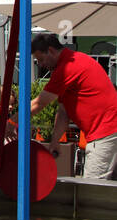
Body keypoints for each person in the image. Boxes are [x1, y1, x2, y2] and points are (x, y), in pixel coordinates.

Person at [30, 32, 117, 179]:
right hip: (108, 130)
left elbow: (39, 103)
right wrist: (55, 141)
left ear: (51, 50)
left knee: (91, 190)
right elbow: (64, 112)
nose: (42, 64)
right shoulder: (74, 61)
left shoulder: (68, 66)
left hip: (105, 132)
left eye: (41, 59)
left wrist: (11, 122)